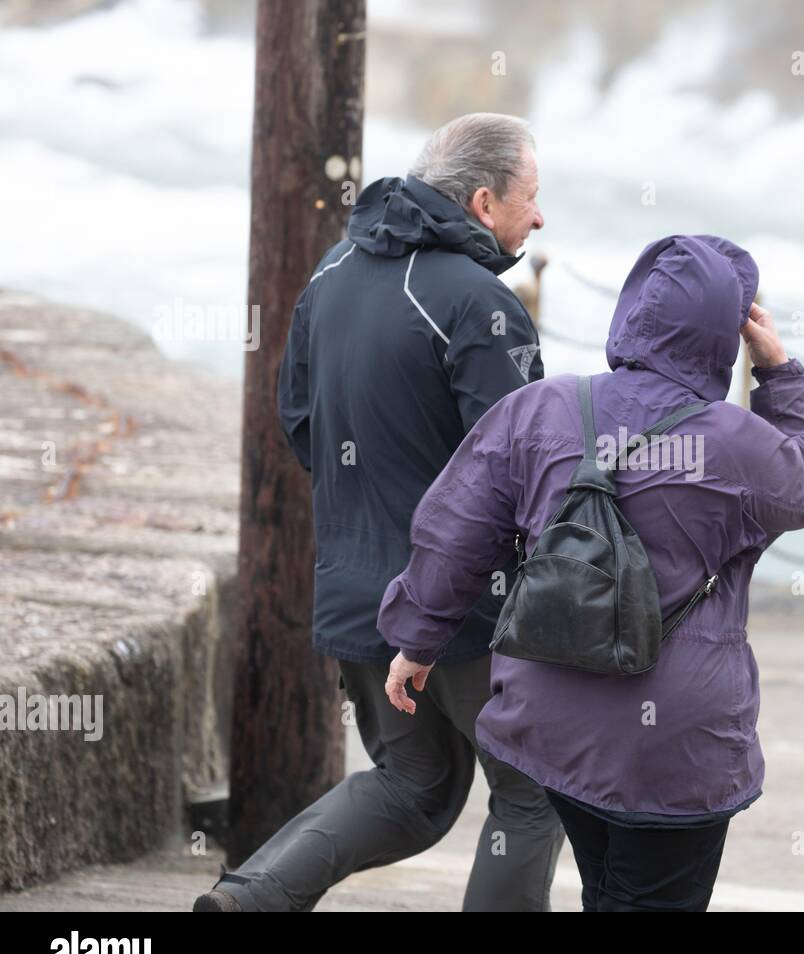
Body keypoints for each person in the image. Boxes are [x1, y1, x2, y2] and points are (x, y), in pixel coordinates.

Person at [377, 234, 804, 911]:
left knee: (605, 886)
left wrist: (417, 640)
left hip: (553, 721)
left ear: (631, 311)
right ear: (727, 332)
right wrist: (778, 370)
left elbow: (453, 532)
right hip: (677, 750)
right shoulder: (736, 441)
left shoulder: (540, 408)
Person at [194, 112, 565, 912]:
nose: (538, 218)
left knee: (415, 784)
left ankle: (252, 897)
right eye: (531, 198)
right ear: (481, 200)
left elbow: (300, 424)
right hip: (467, 608)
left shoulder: (331, 273)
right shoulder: (479, 305)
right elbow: (523, 468)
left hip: (358, 597)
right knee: (535, 792)